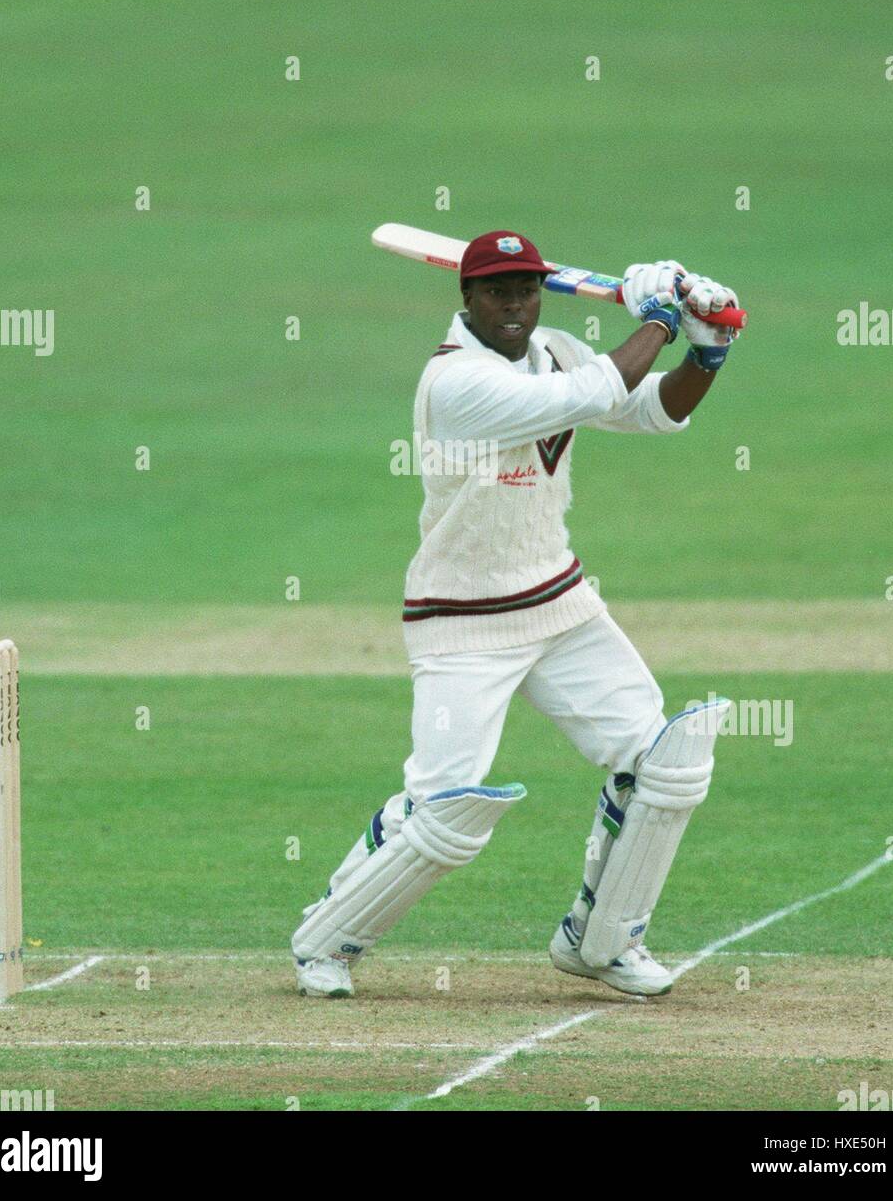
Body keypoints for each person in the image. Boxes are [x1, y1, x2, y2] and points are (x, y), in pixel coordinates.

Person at [292, 230, 739, 998]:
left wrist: (701, 353)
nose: (515, 305)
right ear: (464, 298)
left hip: (559, 602)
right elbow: (586, 396)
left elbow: (645, 411)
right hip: (462, 617)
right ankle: (324, 942)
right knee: (443, 814)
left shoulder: (560, 349)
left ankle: (601, 944)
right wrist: (660, 318)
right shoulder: (453, 382)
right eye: (498, 291)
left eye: (526, 290)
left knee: (665, 762)